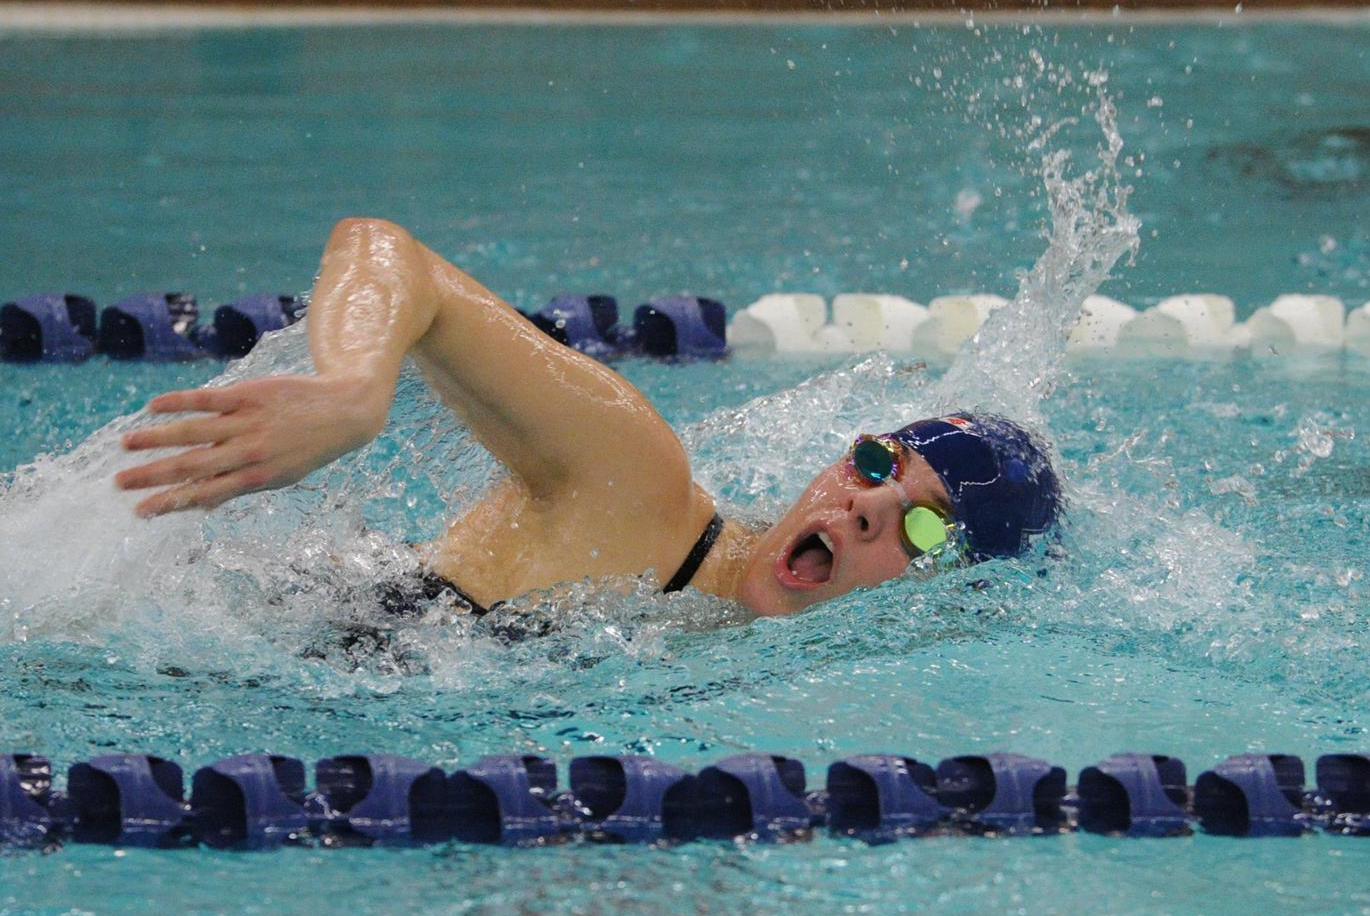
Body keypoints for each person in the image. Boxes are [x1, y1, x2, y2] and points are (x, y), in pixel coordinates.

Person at [113, 218, 1060, 618]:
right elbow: (388, 253)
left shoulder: (728, 647)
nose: (869, 506)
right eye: (875, 466)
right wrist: (354, 392)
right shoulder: (637, 486)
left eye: (924, 528)